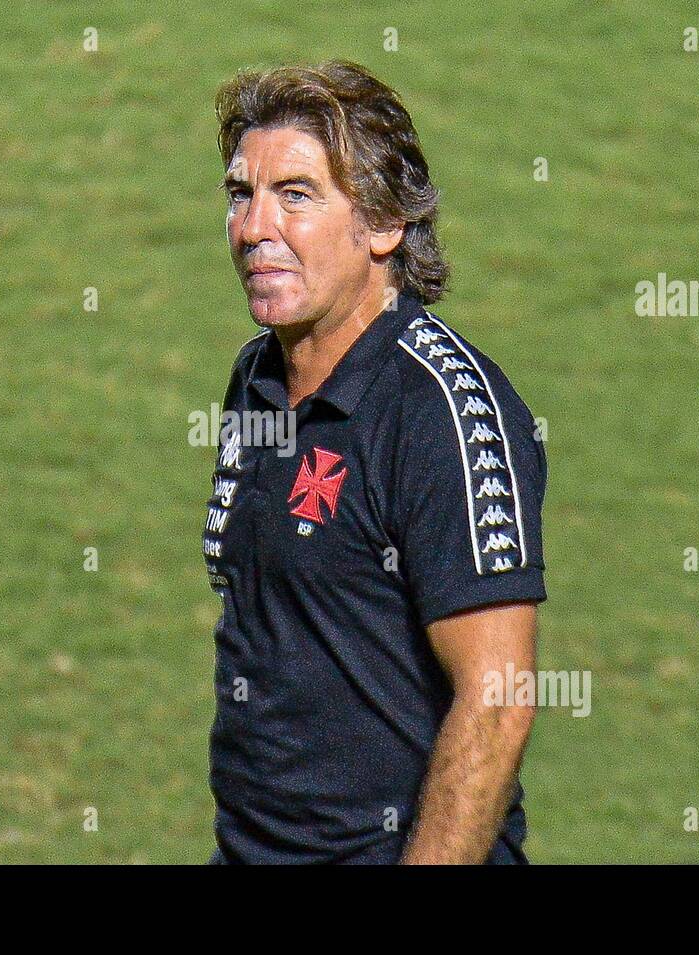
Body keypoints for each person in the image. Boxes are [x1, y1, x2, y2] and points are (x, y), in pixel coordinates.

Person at [202, 60, 549, 864]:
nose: (255, 227)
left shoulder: (445, 409)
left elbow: (498, 699)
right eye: (239, 194)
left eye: (295, 194)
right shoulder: (256, 379)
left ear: (385, 221)